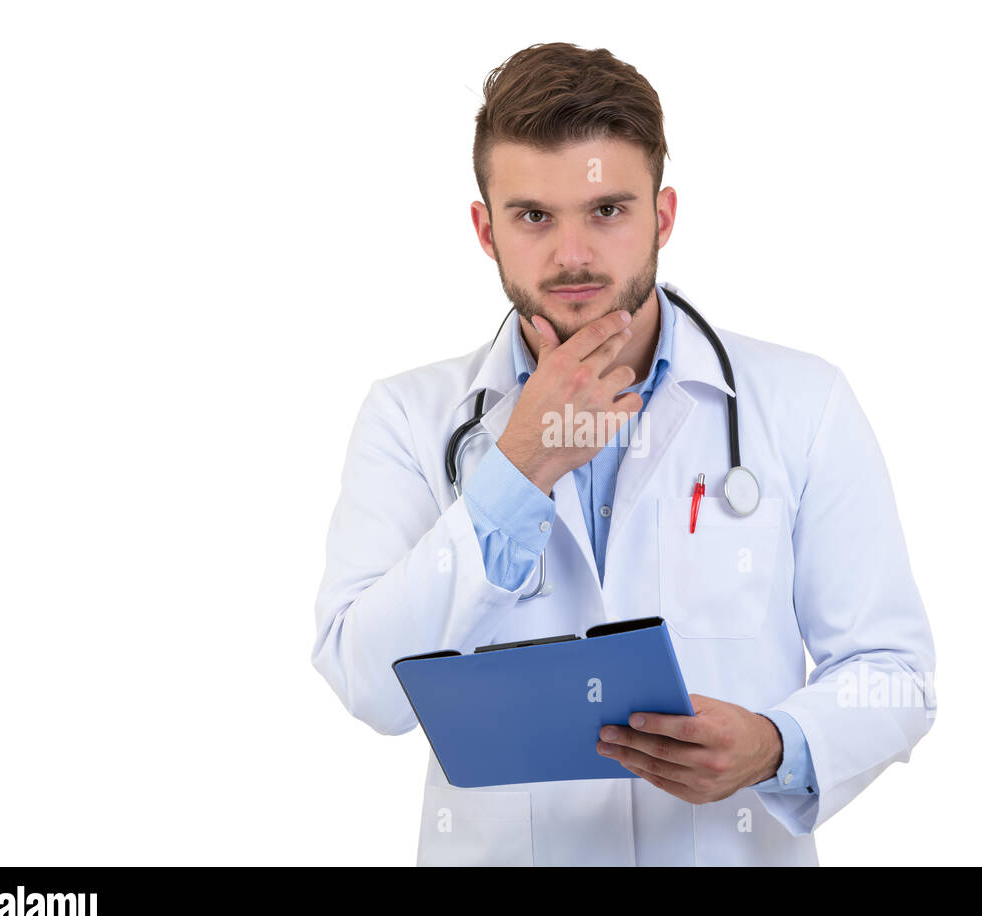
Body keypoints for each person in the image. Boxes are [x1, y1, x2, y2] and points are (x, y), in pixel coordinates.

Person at [312, 41, 937, 866]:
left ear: (663, 216)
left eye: (607, 210)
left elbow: (894, 672)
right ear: (484, 229)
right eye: (534, 215)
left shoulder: (802, 404)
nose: (572, 254)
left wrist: (779, 744)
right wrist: (518, 468)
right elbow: (369, 684)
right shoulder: (409, 418)